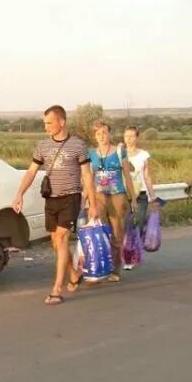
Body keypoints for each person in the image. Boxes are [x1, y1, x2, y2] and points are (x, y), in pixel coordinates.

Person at [13, 105, 97, 305]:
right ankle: (74, 273)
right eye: (45, 123)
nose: (46, 127)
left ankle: (56, 289)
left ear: (62, 121)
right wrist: (19, 194)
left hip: (71, 197)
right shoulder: (43, 146)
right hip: (51, 198)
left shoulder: (78, 145)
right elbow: (31, 171)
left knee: (61, 238)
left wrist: (92, 203)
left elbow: (86, 175)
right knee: (55, 243)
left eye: (49, 123)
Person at [88, 120, 136, 281]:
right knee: (100, 232)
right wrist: (85, 198)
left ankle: (115, 270)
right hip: (99, 197)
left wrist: (133, 197)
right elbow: (89, 177)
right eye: (98, 133)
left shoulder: (119, 151)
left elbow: (128, 176)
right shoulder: (92, 154)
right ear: (95, 136)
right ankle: (101, 266)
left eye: (104, 132)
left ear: (109, 134)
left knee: (116, 233)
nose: (102, 136)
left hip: (117, 196)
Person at [123, 125, 159, 269]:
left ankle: (131, 257)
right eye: (126, 136)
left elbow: (147, 176)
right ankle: (127, 254)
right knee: (126, 224)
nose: (129, 139)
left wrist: (153, 197)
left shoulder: (143, 155)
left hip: (141, 195)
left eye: (132, 136)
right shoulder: (120, 154)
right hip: (125, 195)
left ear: (137, 137)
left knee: (137, 223)